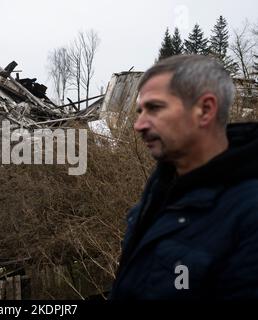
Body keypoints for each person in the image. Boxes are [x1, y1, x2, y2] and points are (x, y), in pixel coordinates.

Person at [109, 55, 258, 299]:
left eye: (154, 108)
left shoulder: (249, 212)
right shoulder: (161, 187)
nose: (139, 124)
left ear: (205, 110)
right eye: (139, 111)